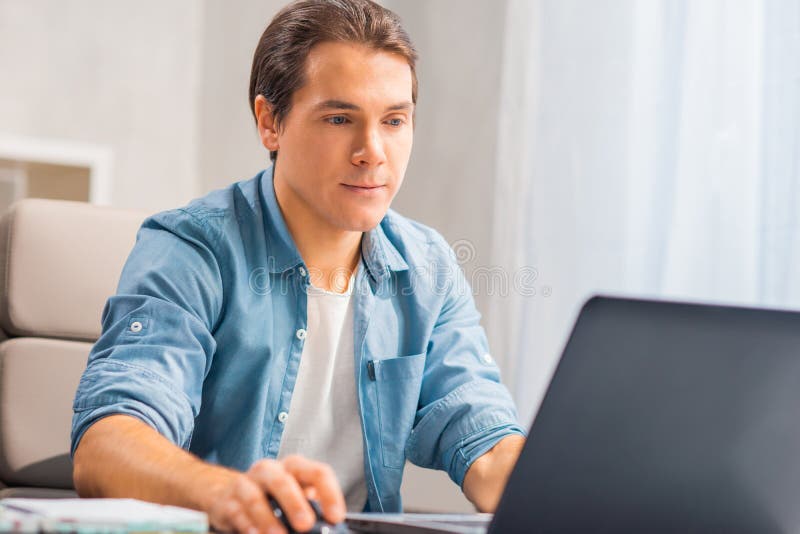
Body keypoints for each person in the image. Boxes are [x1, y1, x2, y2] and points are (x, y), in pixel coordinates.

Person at [70, 0, 525, 532]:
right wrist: (226, 493)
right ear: (270, 123)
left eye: (395, 120)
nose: (372, 151)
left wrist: (565, 475)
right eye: (339, 118)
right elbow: (107, 446)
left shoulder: (427, 268)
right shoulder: (192, 248)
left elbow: (485, 444)